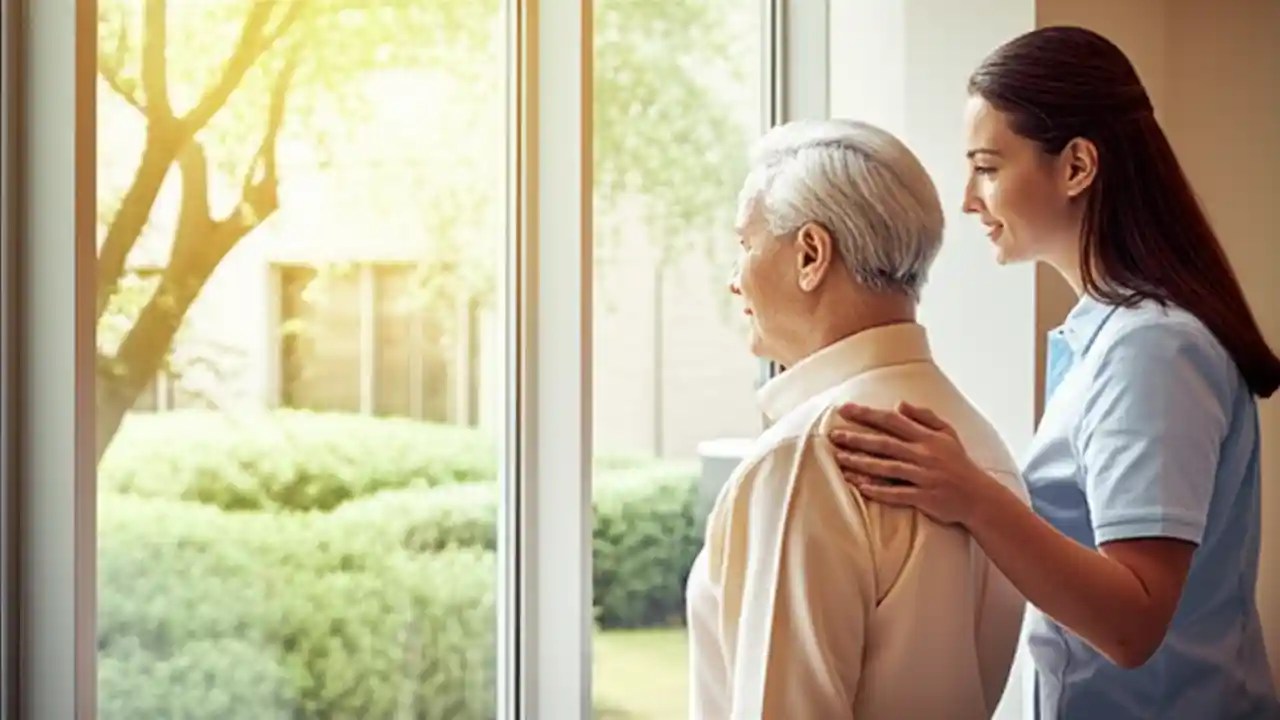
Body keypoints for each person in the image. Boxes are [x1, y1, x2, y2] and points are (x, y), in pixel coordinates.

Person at [828, 26, 1280, 720]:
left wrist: (971, 496)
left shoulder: (1152, 350)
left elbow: (1133, 623)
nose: (968, 200)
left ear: (1075, 167)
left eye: (986, 166)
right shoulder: (1108, 338)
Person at [685, 118, 1030, 719]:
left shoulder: (807, 456)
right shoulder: (982, 445)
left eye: (745, 245)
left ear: (811, 255)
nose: (734, 280)